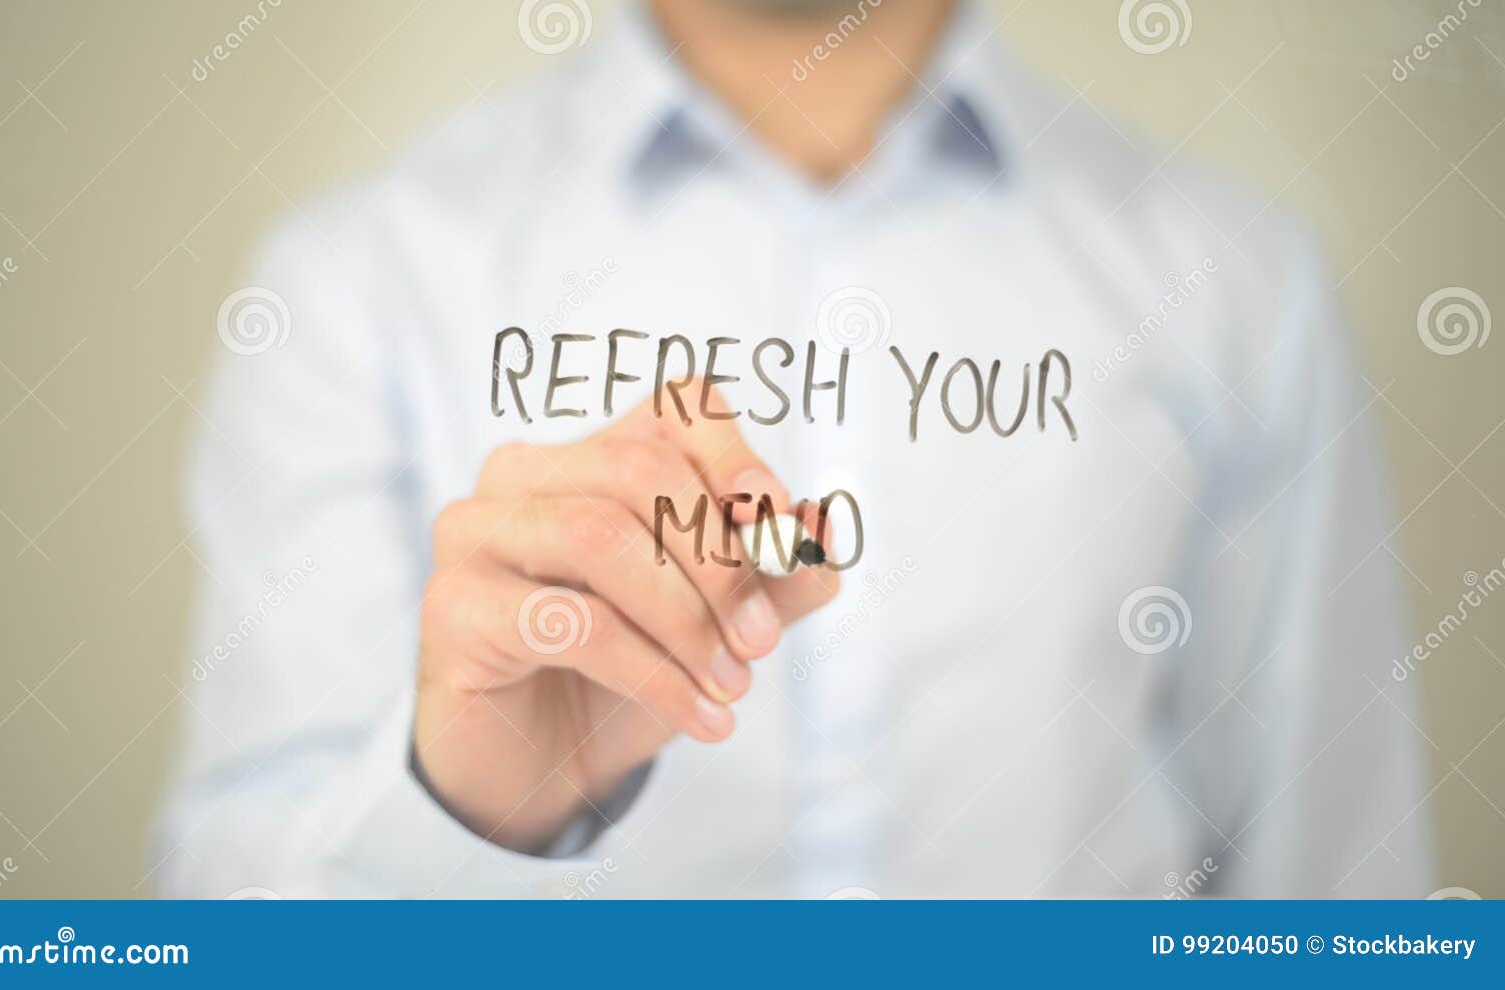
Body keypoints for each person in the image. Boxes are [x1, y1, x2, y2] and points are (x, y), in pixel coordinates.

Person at [155, 0, 1433, 897]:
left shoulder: (1237, 282)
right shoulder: (354, 283)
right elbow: (227, 923)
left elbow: (1335, 884)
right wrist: (466, 815)